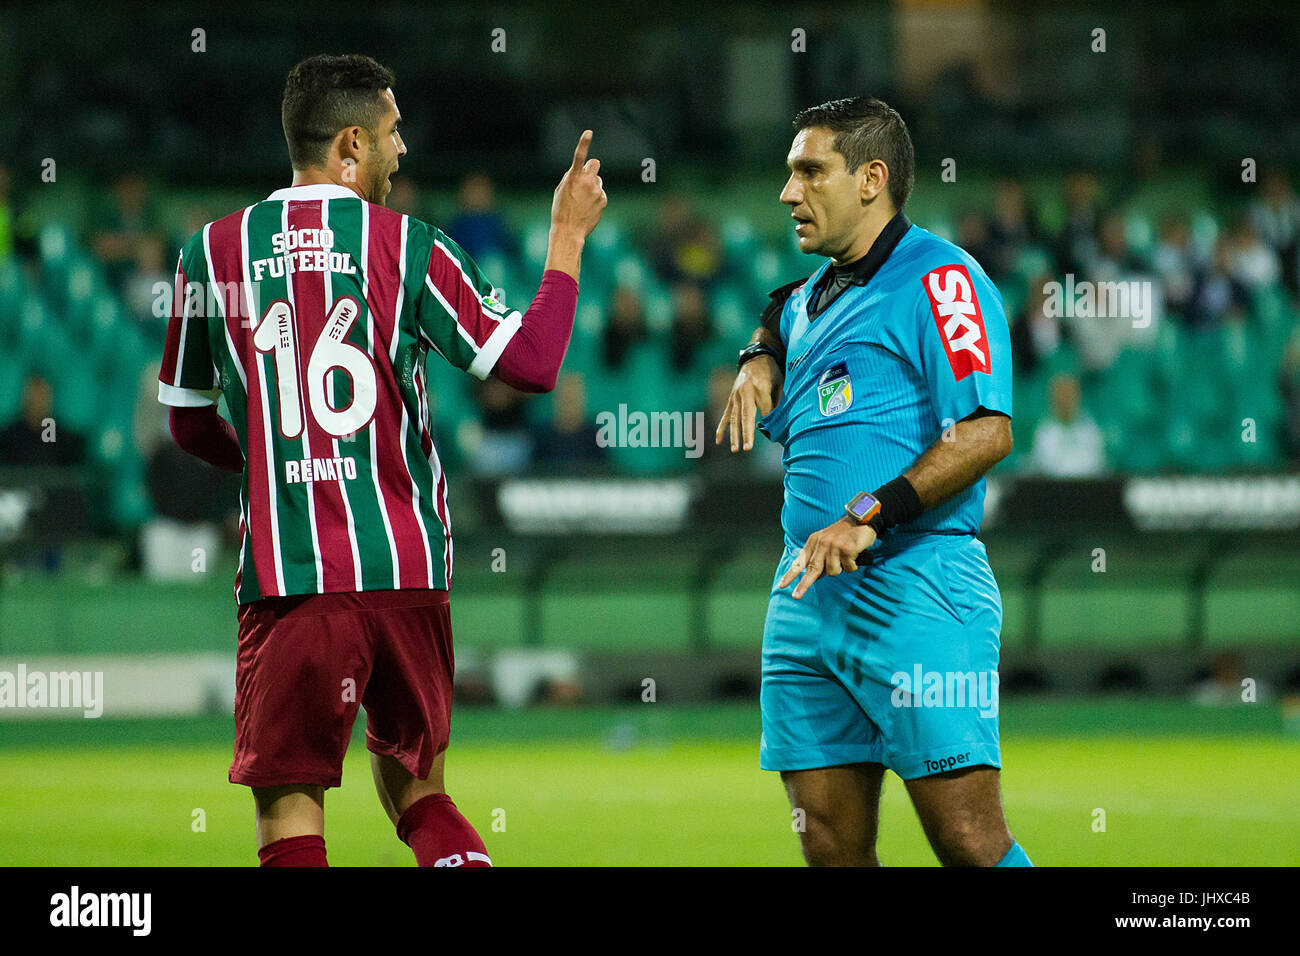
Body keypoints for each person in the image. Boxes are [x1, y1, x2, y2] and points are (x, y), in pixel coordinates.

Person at [157, 54, 605, 867]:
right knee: (419, 793)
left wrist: (268, 466)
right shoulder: (410, 247)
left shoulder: (208, 255)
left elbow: (186, 423)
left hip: (290, 581)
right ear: (353, 144)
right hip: (405, 571)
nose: (404, 154)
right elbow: (534, 365)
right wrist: (567, 237)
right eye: (395, 134)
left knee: (290, 812)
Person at [715, 96, 1029, 867]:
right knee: (826, 843)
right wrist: (759, 354)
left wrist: (869, 515)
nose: (789, 193)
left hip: (917, 586)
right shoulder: (812, 295)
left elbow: (987, 429)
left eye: (809, 171)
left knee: (966, 838)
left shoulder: (943, 279)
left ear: (871, 179)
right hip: (805, 595)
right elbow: (780, 306)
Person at [1029, 374, 1106, 477]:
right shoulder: (1044, 433)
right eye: (1061, 395)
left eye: (1069, 395)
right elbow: (1042, 466)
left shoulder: (1091, 431)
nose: (1065, 400)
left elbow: (1096, 465)